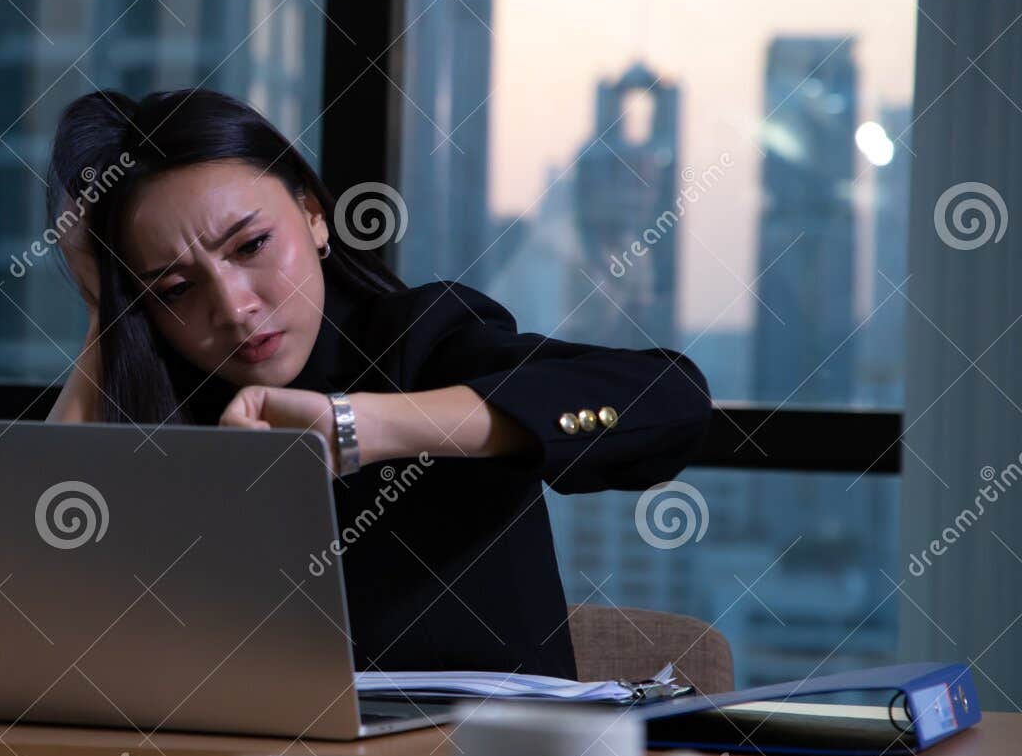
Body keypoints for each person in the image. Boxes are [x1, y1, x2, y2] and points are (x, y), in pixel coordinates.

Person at [42, 87, 712, 679]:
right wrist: (105, 310)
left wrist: (362, 427)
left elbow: (670, 398)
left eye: (250, 247)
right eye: (177, 288)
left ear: (312, 213)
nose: (234, 306)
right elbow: (41, 604)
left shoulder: (424, 336)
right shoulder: (166, 396)